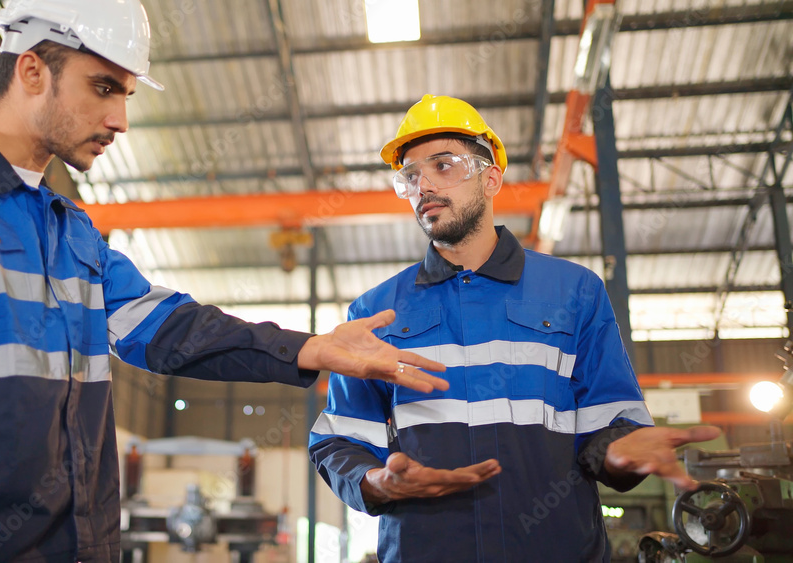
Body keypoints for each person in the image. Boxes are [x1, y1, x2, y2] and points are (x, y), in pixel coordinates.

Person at [0, 2, 449, 562]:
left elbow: (169, 328)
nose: (120, 120)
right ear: (30, 70)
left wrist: (309, 348)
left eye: (127, 95)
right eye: (103, 87)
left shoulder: (72, 231)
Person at [307, 95, 721, 562]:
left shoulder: (574, 292)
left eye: (443, 165)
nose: (423, 185)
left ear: (491, 178)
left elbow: (608, 420)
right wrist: (373, 480)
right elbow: (339, 437)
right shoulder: (376, 310)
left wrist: (621, 447)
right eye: (410, 175)